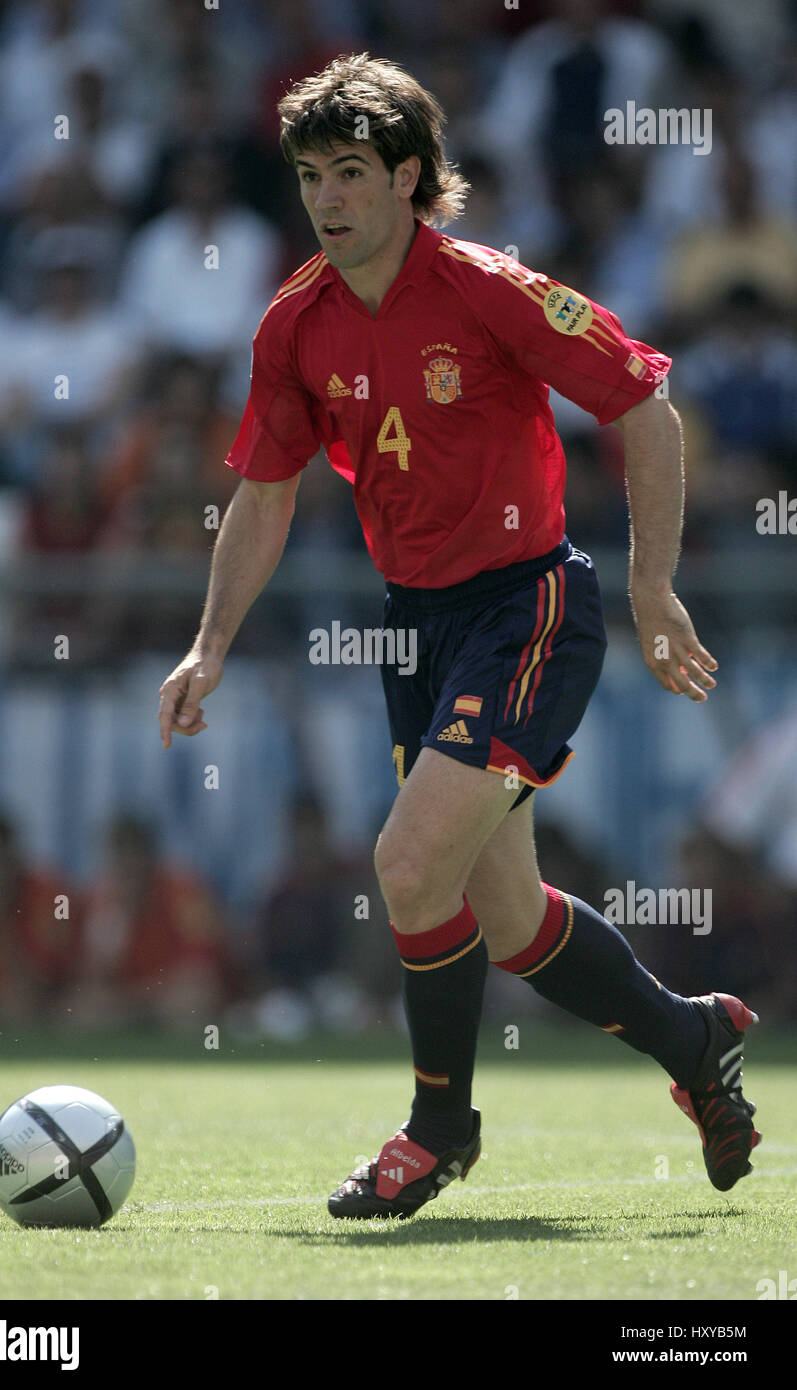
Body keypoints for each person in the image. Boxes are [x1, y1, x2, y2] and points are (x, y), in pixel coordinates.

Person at [158, 54, 760, 1219]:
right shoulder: (292, 324)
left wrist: (651, 587)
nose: (326, 198)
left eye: (349, 173)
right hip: (415, 630)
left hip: (526, 608)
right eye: (308, 177)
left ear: (408, 180)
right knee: (510, 919)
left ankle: (437, 1130)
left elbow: (642, 405)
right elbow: (267, 491)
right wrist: (210, 642)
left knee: (403, 864)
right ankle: (693, 1041)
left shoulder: (488, 288)